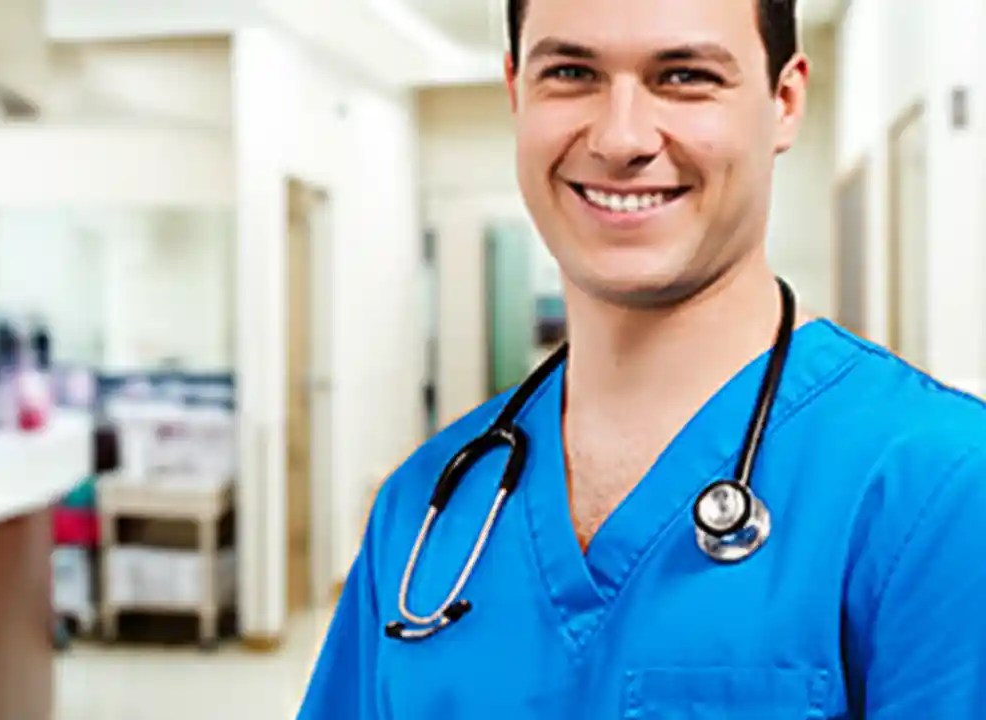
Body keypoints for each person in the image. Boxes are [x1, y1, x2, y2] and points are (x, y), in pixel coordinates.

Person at [297, 0, 986, 717]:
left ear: (784, 102)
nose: (621, 137)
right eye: (570, 72)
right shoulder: (423, 512)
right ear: (516, 93)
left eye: (684, 75)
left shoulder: (940, 490)